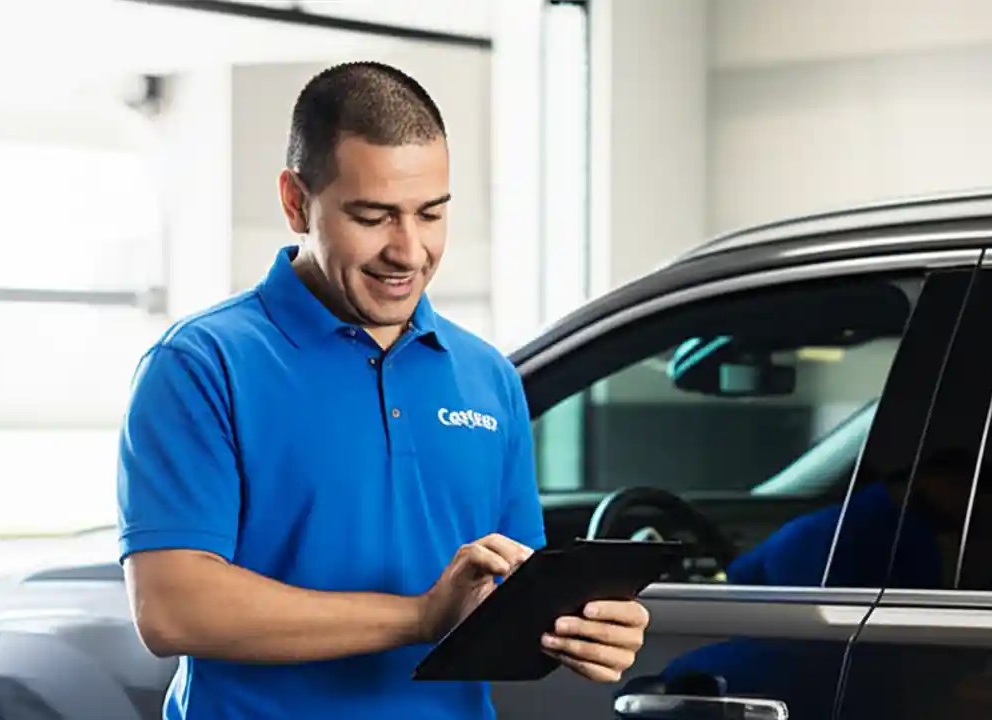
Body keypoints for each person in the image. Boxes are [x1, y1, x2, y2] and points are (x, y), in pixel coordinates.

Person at [115, 61, 650, 720]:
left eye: (431, 214)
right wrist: (421, 616)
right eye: (373, 216)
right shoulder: (202, 365)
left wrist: (585, 632)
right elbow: (172, 608)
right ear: (294, 202)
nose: (410, 250)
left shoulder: (487, 376)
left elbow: (506, 603)